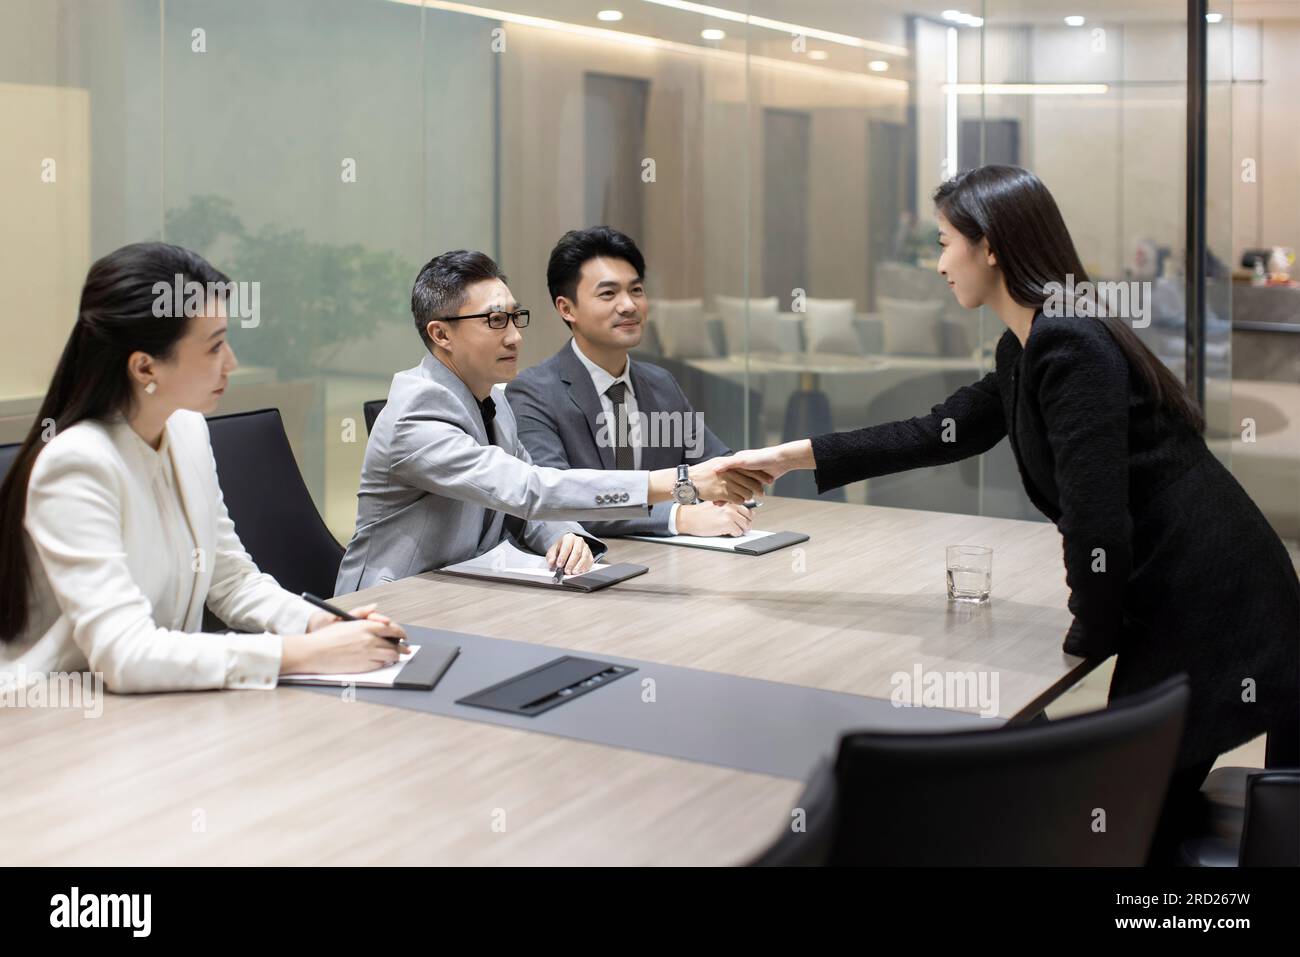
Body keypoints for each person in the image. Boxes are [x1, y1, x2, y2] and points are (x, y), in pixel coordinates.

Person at [721, 165, 1300, 861]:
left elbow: (1097, 519)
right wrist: (793, 456)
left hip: (1216, 606)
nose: (937, 264)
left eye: (944, 243)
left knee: (1113, 822)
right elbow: (942, 428)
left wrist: (1091, 631)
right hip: (1186, 597)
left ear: (989, 245)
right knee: (1120, 812)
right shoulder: (1027, 343)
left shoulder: (1069, 343)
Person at [0, 243, 407, 692]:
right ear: (144, 367)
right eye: (214, 347)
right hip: (52, 720)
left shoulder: (187, 431)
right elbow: (125, 655)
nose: (230, 362)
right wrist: (302, 654)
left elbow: (230, 579)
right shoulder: (76, 465)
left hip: (158, 707)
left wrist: (320, 624)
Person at [334, 250, 765, 593]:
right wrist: (679, 483)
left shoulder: (492, 400)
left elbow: (531, 499)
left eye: (514, 318)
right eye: (494, 321)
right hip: (391, 603)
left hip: (464, 590)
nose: (515, 336)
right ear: (441, 335)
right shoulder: (417, 414)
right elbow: (528, 489)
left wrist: (564, 538)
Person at [506, 226, 749, 539]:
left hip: (678, 562)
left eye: (636, 290)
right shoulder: (534, 391)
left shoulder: (660, 383)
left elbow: (717, 466)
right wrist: (678, 516)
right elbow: (558, 501)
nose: (629, 305)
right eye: (608, 293)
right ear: (567, 309)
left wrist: (753, 473)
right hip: (592, 564)